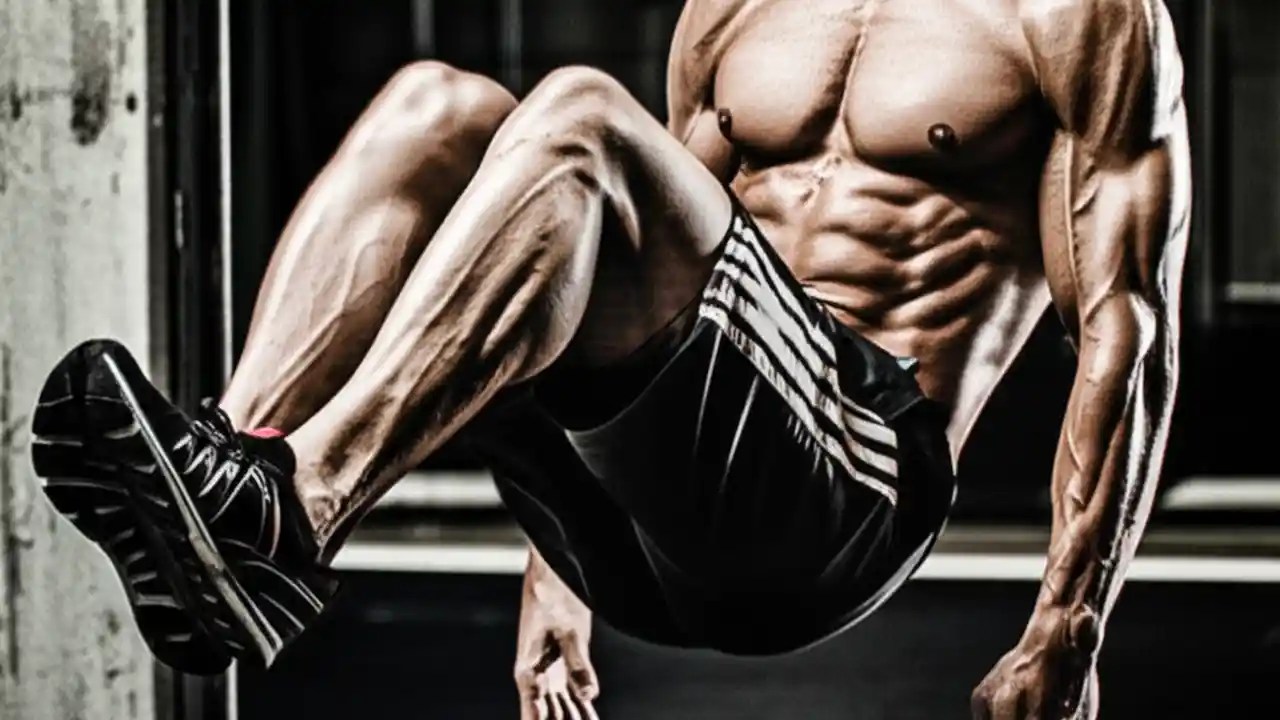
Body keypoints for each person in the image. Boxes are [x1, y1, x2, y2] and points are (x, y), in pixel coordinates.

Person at [29, 0, 1189, 717]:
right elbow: (631, 261)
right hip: (647, 505)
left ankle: (294, 510)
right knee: (441, 108)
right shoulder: (736, 8)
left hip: (846, 480)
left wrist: (1066, 629)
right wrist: (559, 576)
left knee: (581, 112)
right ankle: (238, 470)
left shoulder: (1074, 14)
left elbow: (1124, 326)